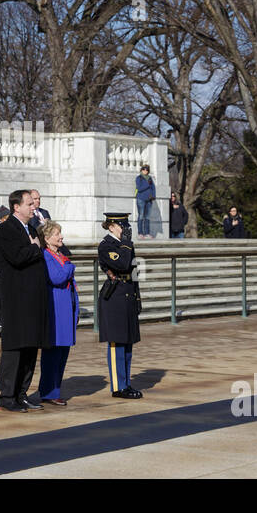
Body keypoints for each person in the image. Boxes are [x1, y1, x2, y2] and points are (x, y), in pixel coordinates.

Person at [0, 189, 50, 412]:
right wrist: (36, 247)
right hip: (17, 299)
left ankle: (22, 393)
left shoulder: (32, 228)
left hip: (33, 298)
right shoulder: (7, 229)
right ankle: (7, 395)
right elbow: (17, 257)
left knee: (30, 347)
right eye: (28, 204)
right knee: (15, 348)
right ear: (16, 207)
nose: (32, 207)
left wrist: (37, 245)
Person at [98, 212, 143, 398]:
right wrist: (126, 243)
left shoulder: (125, 245)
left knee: (128, 342)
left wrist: (137, 297)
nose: (125, 230)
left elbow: (133, 271)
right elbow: (123, 264)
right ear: (111, 227)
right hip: (114, 297)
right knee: (117, 343)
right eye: (121, 226)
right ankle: (118, 387)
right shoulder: (106, 246)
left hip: (127, 295)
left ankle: (126, 383)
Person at [38, 220, 78, 405]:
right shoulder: (46, 255)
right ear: (46, 239)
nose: (61, 237)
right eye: (56, 234)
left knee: (63, 352)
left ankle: (55, 388)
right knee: (53, 352)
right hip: (55, 307)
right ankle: (49, 392)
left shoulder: (60, 255)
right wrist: (70, 267)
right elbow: (57, 277)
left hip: (65, 306)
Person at [135, 165, 155, 238]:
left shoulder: (150, 179)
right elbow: (139, 188)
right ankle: (140, 233)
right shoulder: (139, 178)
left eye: (147, 170)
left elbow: (153, 188)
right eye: (144, 169)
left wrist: (153, 196)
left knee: (147, 217)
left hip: (149, 200)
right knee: (141, 216)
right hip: (141, 199)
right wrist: (147, 184)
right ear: (141, 170)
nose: (145, 171)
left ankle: (147, 233)